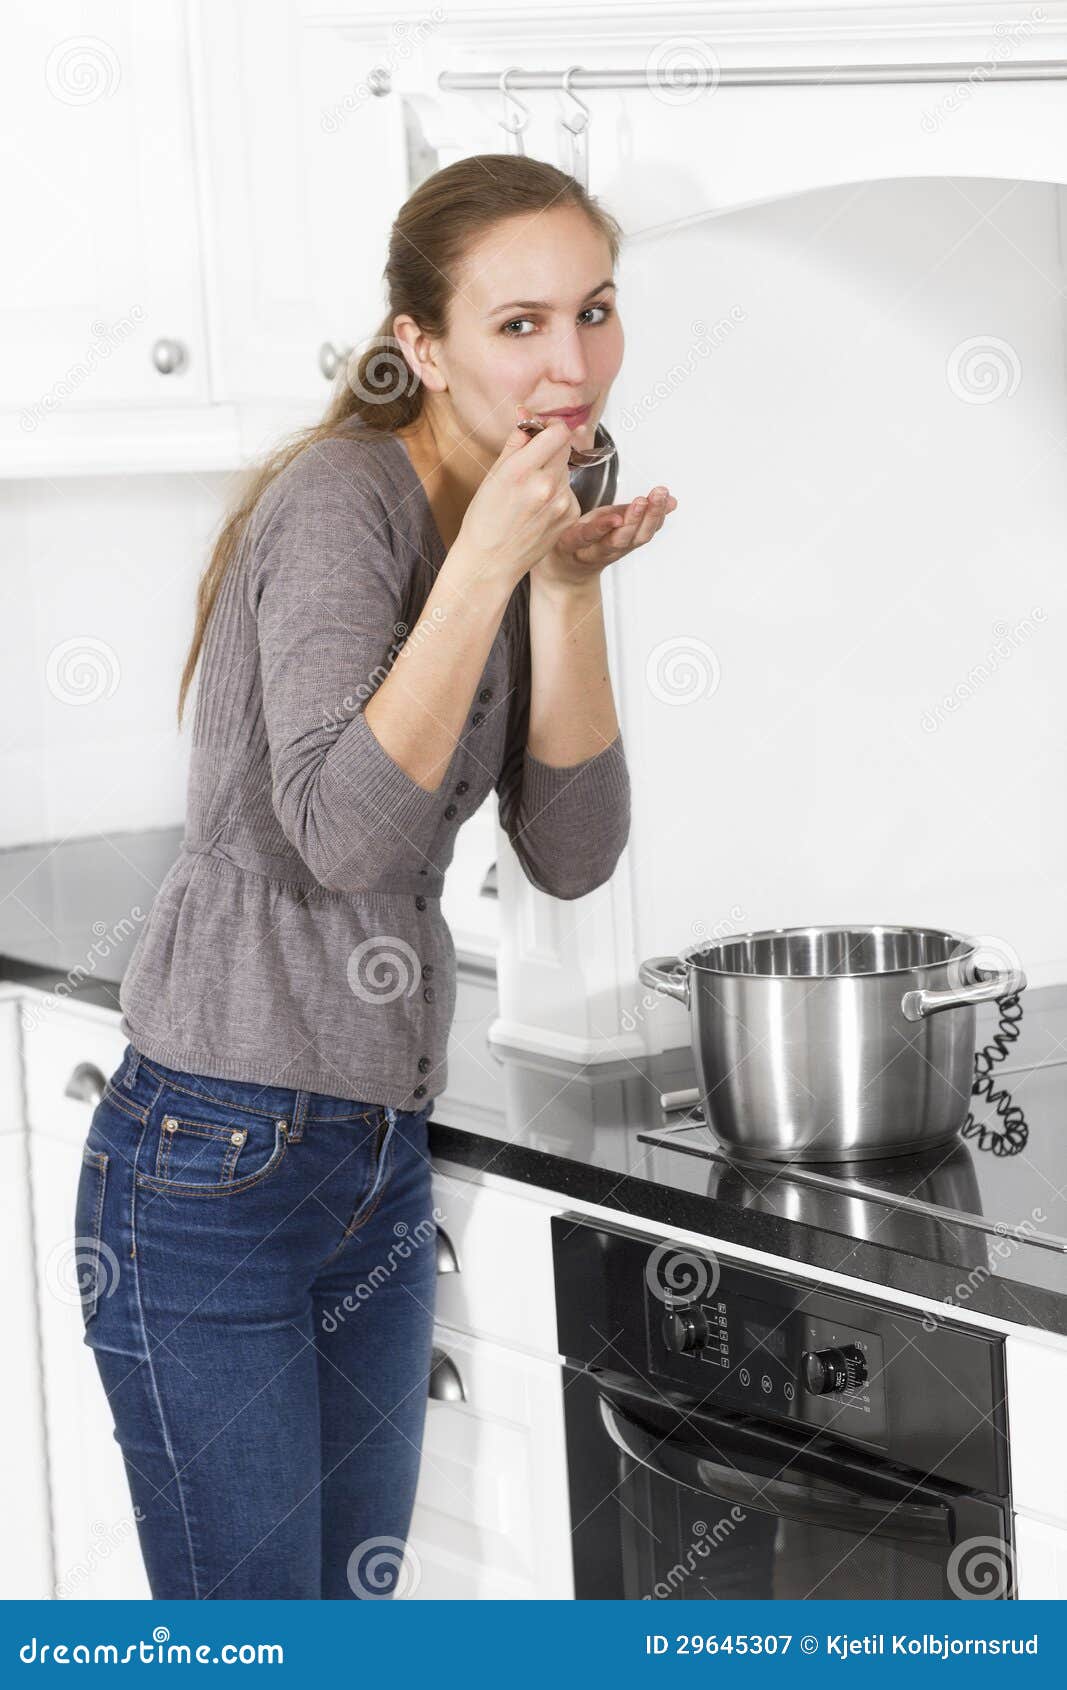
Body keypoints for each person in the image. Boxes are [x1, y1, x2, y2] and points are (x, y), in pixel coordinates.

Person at [73, 152, 678, 1601]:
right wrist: (488, 564)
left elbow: (575, 852)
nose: (572, 359)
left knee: (359, 1624)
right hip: (211, 1160)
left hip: (373, 1161)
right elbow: (344, 837)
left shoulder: (525, 506)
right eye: (518, 323)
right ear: (423, 347)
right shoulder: (347, 502)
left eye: (594, 312)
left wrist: (567, 588)